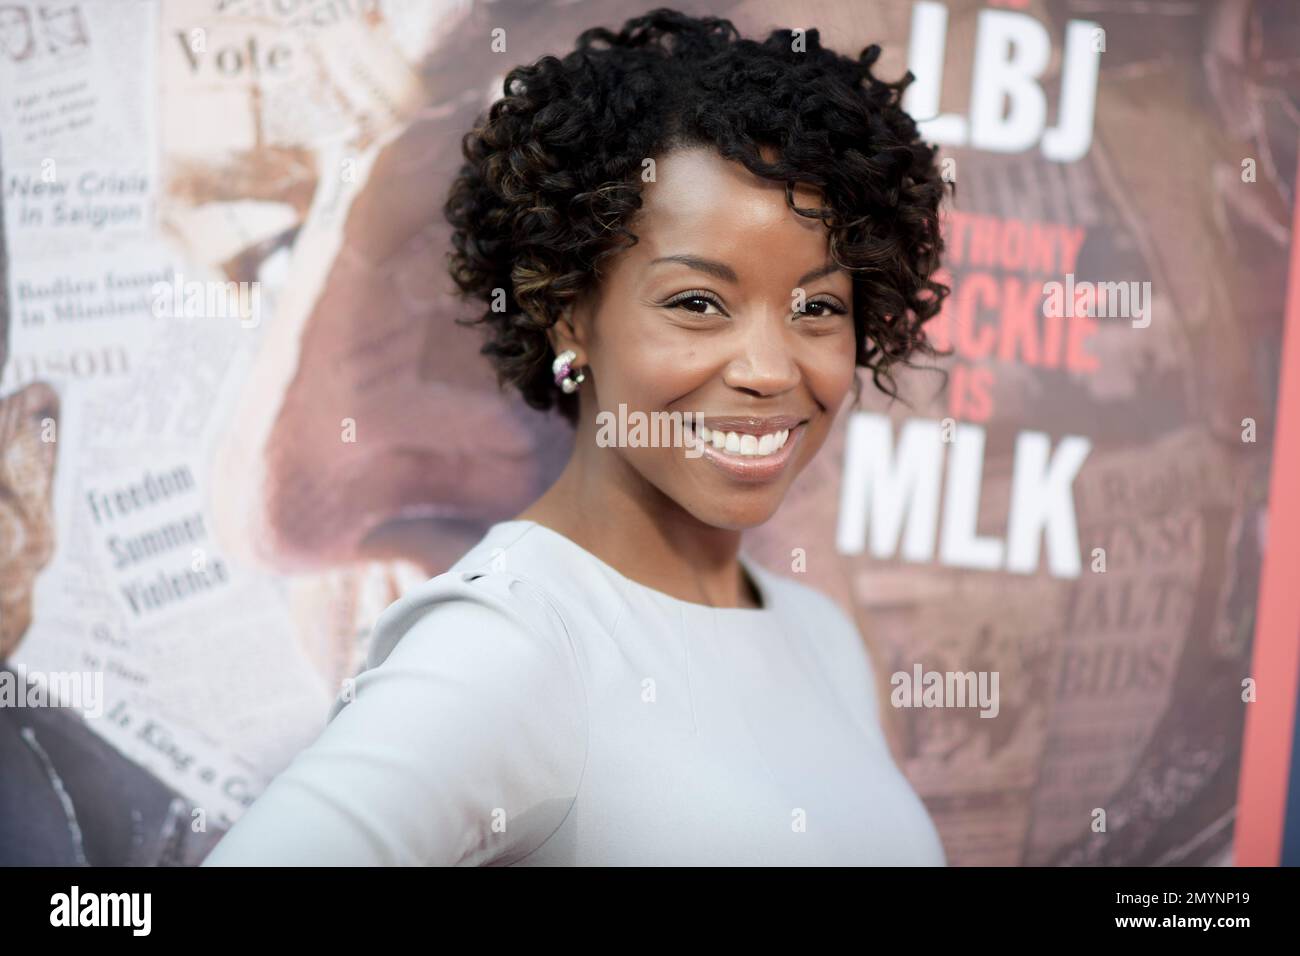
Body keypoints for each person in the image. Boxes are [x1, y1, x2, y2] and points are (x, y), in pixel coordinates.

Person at [203, 7, 950, 866]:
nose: (770, 370)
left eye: (817, 307)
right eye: (696, 303)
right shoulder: (515, 645)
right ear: (569, 320)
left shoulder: (819, 638)